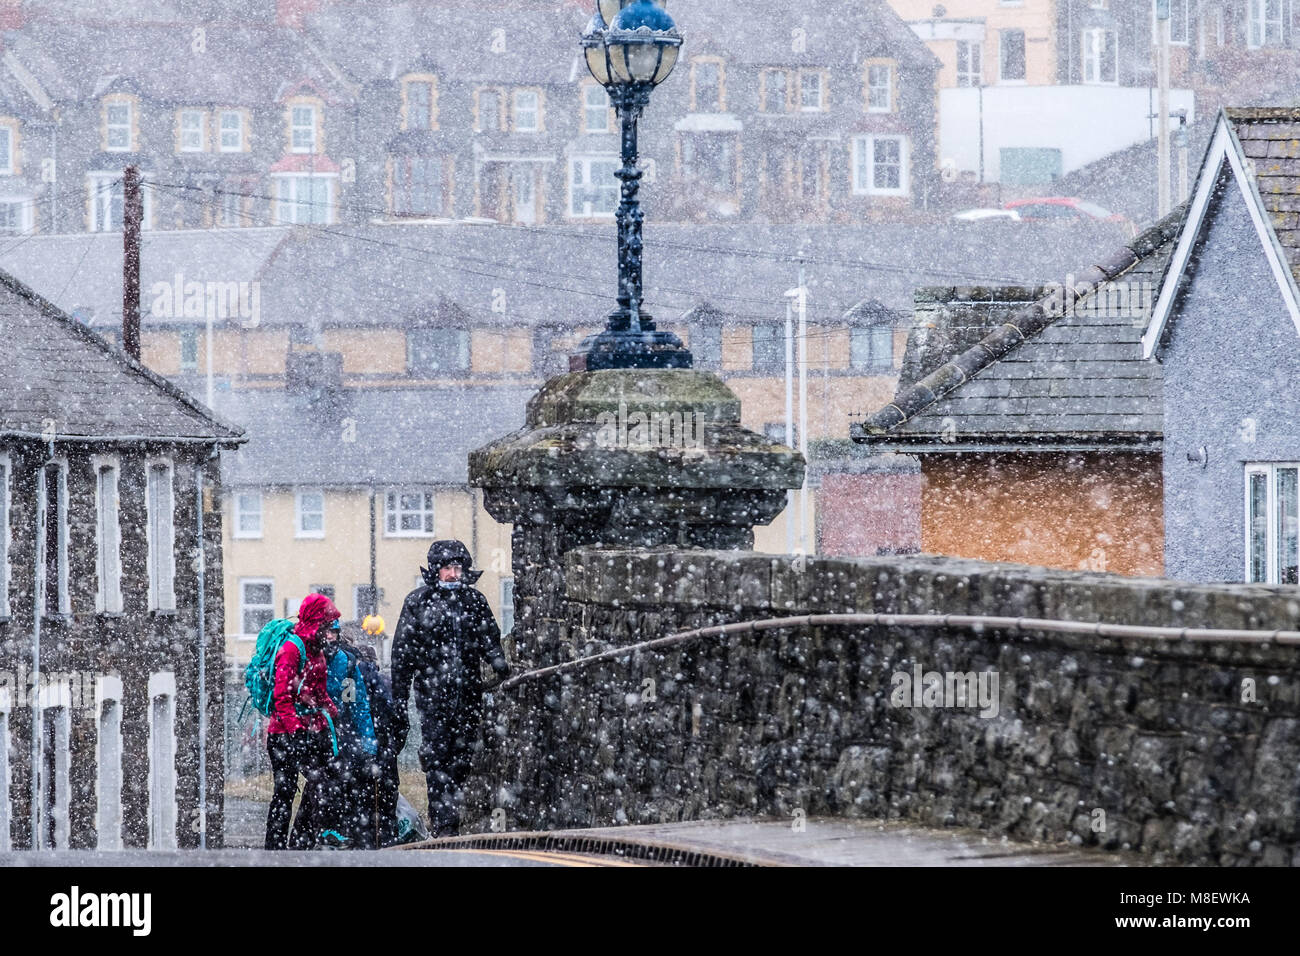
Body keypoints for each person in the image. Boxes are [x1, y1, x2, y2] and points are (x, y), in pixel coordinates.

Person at [391, 540, 510, 837]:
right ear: (435, 571)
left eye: (458, 568)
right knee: (438, 758)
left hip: (468, 694)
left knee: (461, 759)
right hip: (434, 696)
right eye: (448, 569)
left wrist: (497, 661)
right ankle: (445, 825)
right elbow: (403, 654)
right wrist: (399, 696)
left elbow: (488, 636)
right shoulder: (418, 603)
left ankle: (449, 817)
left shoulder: (474, 601)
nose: (453, 574)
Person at [264, 593, 341, 851]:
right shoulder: (291, 650)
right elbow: (281, 697)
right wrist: (294, 730)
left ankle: (301, 843)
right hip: (283, 735)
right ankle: (274, 849)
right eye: (326, 626)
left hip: (308, 731)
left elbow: (319, 693)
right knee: (285, 792)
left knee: (320, 783)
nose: (329, 633)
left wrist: (332, 711)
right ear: (315, 623)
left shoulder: (316, 652)